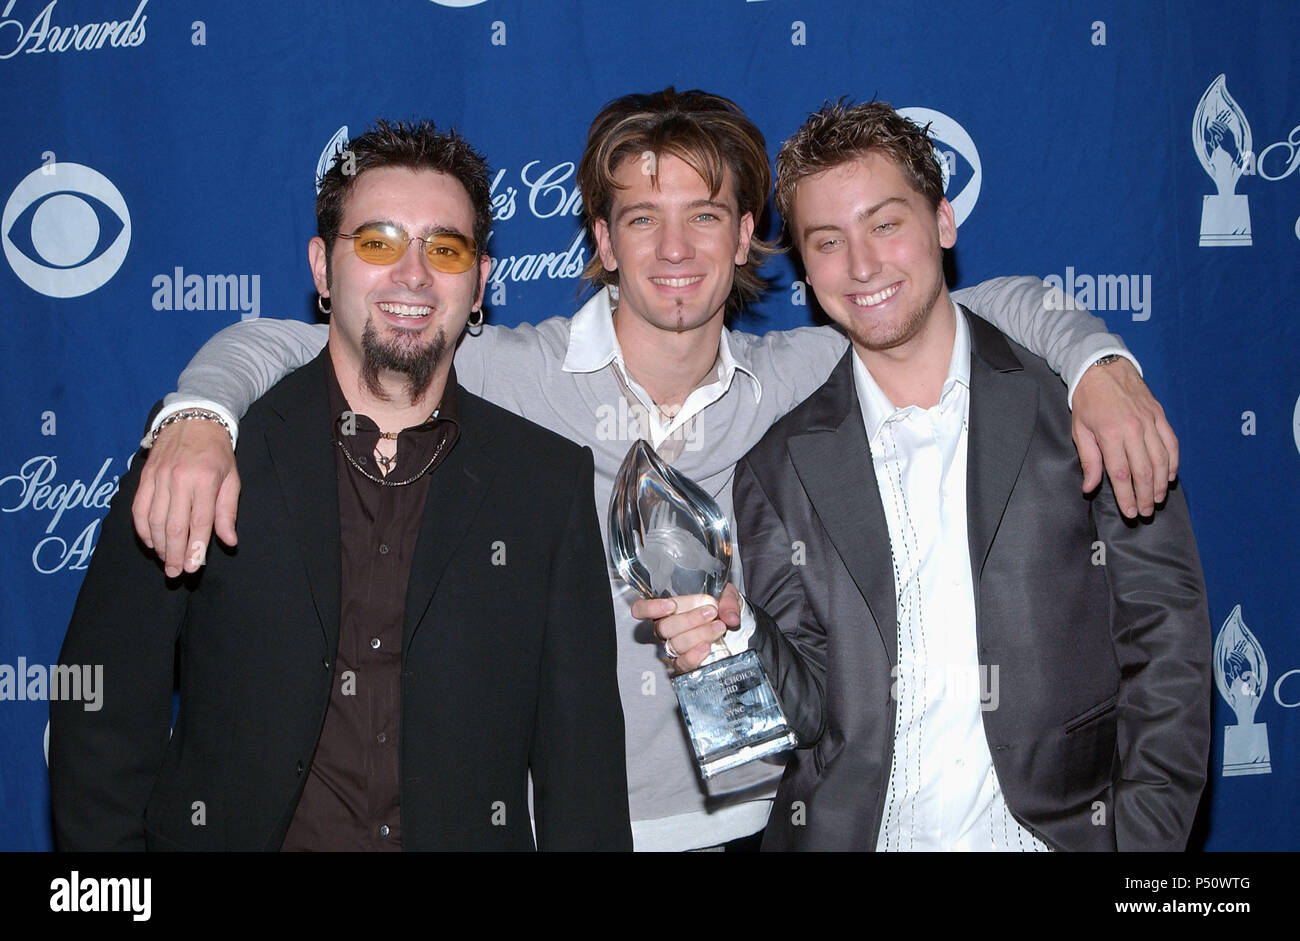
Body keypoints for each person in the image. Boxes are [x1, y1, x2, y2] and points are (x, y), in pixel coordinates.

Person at [126, 89, 1178, 851]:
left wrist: (1097, 363)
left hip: (760, 820)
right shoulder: (504, 373)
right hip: (556, 822)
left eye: (705, 217)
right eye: (642, 218)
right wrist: (200, 414)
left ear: (746, 247)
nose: (674, 251)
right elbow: (317, 342)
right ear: (603, 240)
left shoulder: (804, 375)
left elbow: (963, 308)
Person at [642, 101, 1211, 851]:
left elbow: (1168, 644)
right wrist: (724, 648)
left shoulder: (1082, 410)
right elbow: (796, 726)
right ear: (806, 272)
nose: (864, 265)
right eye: (829, 241)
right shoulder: (778, 467)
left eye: (886, 224)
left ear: (943, 221)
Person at [49, 120, 631, 851]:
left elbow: (585, 778)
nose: (414, 275)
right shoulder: (200, 455)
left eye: (444, 248)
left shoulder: (547, 483)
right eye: (379, 243)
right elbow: (98, 717)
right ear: (324, 270)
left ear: (480, 283)